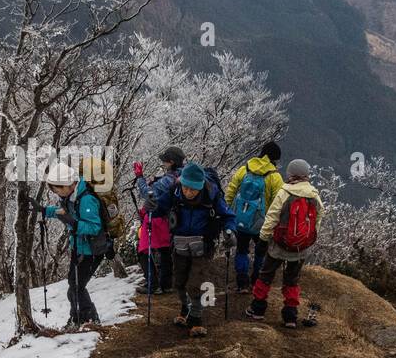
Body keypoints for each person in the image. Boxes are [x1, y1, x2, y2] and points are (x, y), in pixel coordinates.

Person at [138, 160, 236, 337]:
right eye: (186, 188)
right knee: (180, 281)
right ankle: (185, 310)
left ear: (200, 187)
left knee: (196, 282)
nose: (188, 192)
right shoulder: (175, 192)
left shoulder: (211, 194)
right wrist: (151, 207)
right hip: (179, 243)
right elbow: (159, 208)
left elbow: (227, 215)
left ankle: (196, 319)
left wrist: (230, 231)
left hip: (203, 244)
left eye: (193, 189)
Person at [246, 159, 323, 329]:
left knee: (266, 274)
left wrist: (263, 238)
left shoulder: (285, 192)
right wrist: (306, 241)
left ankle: (257, 309)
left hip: (279, 244)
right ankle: (290, 316)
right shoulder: (314, 195)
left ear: (290, 174)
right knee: (292, 280)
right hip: (300, 248)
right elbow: (317, 220)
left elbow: (272, 217)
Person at [40, 162, 107, 329]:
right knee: (74, 285)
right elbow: (63, 212)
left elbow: (94, 227)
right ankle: (79, 318)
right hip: (78, 247)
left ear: (67, 185)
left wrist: (74, 223)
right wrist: (42, 210)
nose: (55, 192)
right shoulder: (71, 197)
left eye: (56, 188)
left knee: (76, 286)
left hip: (91, 250)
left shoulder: (86, 199)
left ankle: (88, 318)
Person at [224, 141, 284, 293]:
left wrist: (226, 210)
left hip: (241, 218)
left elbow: (231, 189)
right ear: (275, 159)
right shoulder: (275, 177)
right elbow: (279, 202)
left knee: (242, 250)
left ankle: (242, 283)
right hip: (262, 223)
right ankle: (256, 281)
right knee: (261, 252)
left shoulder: (244, 169)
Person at [132, 146, 184, 295]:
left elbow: (148, 194)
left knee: (143, 250)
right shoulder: (181, 175)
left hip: (155, 218)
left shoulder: (168, 179)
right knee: (164, 250)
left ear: (172, 162)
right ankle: (166, 284)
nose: (163, 164)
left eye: (165, 161)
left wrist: (140, 177)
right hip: (169, 219)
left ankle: (152, 284)